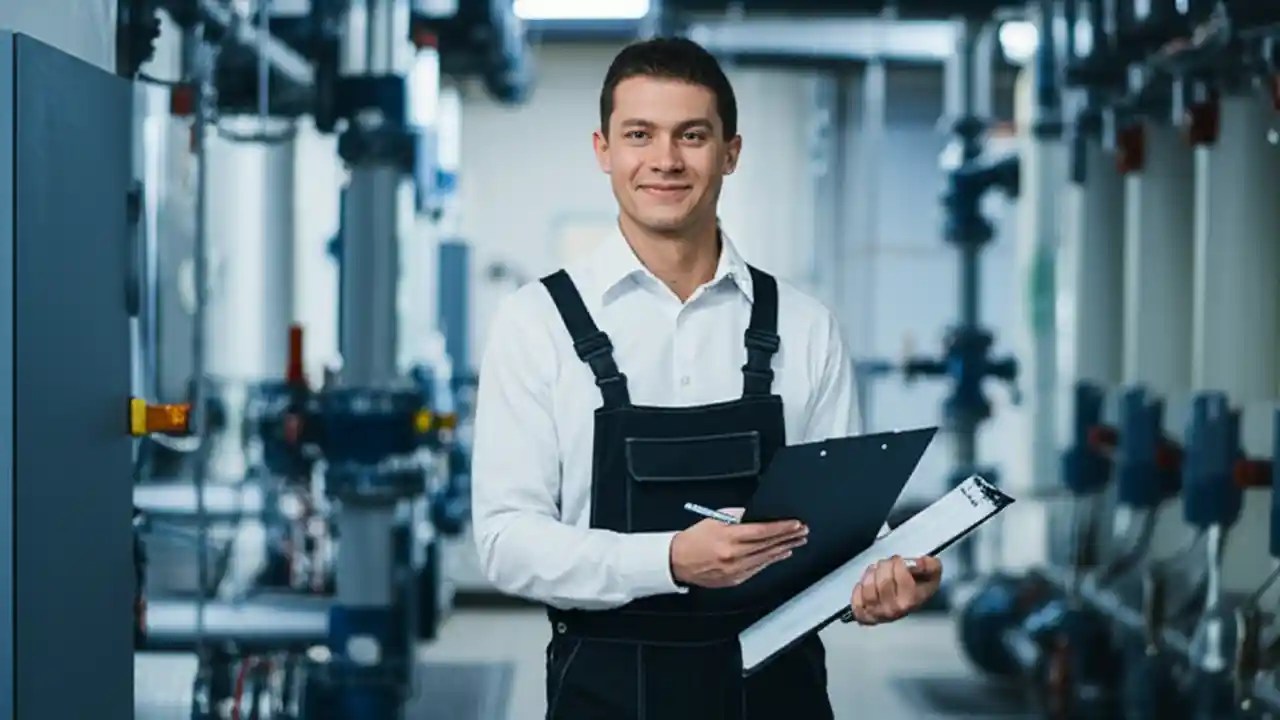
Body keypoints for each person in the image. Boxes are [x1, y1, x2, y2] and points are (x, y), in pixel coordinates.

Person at [470, 36, 944, 720]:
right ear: (603, 150)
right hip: (605, 692)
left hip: (778, 694)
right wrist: (669, 560)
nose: (665, 160)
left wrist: (882, 579)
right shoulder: (535, 323)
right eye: (640, 135)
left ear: (730, 152)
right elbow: (507, 542)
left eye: (691, 135)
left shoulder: (806, 327)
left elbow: (840, 532)